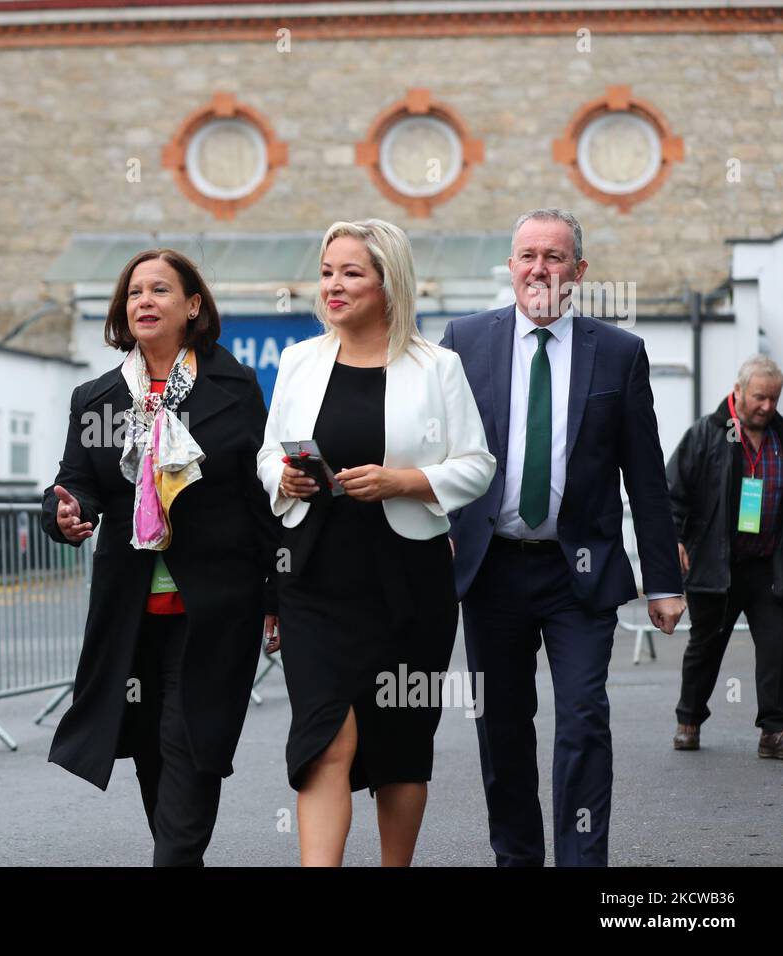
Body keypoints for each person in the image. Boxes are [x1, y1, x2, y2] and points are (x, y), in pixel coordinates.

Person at [441, 208, 685, 867]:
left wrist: (663, 580)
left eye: (554, 257)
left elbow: (646, 476)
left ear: (578, 271)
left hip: (581, 572)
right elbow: (437, 450)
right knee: (502, 730)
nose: (539, 269)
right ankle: (517, 859)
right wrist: (436, 537)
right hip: (490, 572)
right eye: (528, 256)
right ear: (511, 267)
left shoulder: (618, 352)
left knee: (582, 722)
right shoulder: (464, 341)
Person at [257, 219, 495, 866]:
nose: (333, 285)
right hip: (314, 577)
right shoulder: (301, 361)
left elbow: (477, 465)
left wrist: (405, 481)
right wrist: (283, 477)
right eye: (328, 271)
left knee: (400, 746)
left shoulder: (437, 367)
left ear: (389, 282)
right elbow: (267, 454)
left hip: (408, 580)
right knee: (324, 738)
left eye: (351, 272)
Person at [41, 248, 280, 866]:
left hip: (217, 602)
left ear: (192, 306)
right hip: (131, 603)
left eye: (160, 290)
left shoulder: (234, 385)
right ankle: (180, 858)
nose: (144, 301)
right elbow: (75, 481)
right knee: (150, 737)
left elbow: (260, 495)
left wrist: (277, 594)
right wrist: (65, 512)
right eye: (134, 292)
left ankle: (173, 861)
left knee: (190, 736)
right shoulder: (96, 397)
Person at [668, 355, 783, 758]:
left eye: (774, 399)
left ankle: (774, 731)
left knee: (777, 645)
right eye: (759, 398)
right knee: (706, 646)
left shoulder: (781, 437)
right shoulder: (706, 434)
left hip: (766, 567)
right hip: (716, 564)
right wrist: (675, 540)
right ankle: (689, 720)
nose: (767, 407)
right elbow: (672, 493)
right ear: (738, 391)